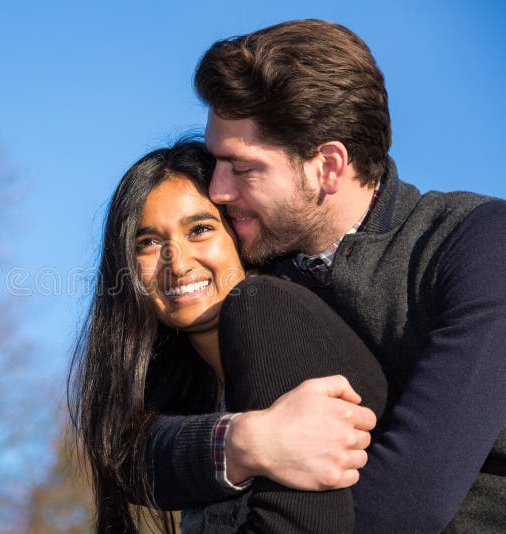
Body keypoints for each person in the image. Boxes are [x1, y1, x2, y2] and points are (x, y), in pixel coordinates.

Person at [136, 19, 506, 533]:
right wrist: (245, 441)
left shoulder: (478, 245)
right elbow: (132, 449)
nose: (217, 190)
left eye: (241, 168)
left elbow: (412, 501)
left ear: (327, 166)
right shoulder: (252, 262)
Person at [68, 138, 386, 533]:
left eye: (200, 229)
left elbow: (307, 522)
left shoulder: (268, 308)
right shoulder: (194, 392)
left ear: (241, 232)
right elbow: (126, 457)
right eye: (148, 243)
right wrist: (242, 441)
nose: (177, 263)